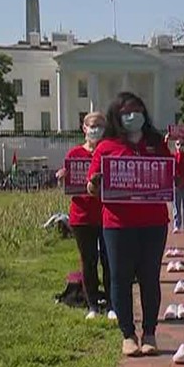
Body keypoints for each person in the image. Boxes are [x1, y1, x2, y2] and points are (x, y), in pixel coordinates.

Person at [86, 92, 170, 357]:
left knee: (149, 278)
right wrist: (96, 183)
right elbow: (91, 187)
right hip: (118, 224)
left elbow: (170, 175)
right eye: (126, 112)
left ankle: (150, 333)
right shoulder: (106, 147)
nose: (133, 115)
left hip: (153, 223)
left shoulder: (156, 144)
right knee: (120, 278)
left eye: (137, 110)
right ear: (117, 117)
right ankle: (128, 334)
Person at [58, 111, 112, 320]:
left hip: (107, 215)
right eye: (92, 125)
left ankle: (112, 304)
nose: (96, 130)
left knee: (109, 261)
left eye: (100, 126)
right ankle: (92, 305)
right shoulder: (74, 154)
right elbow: (68, 181)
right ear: (84, 128)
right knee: (88, 261)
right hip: (82, 216)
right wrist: (63, 177)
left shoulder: (109, 152)